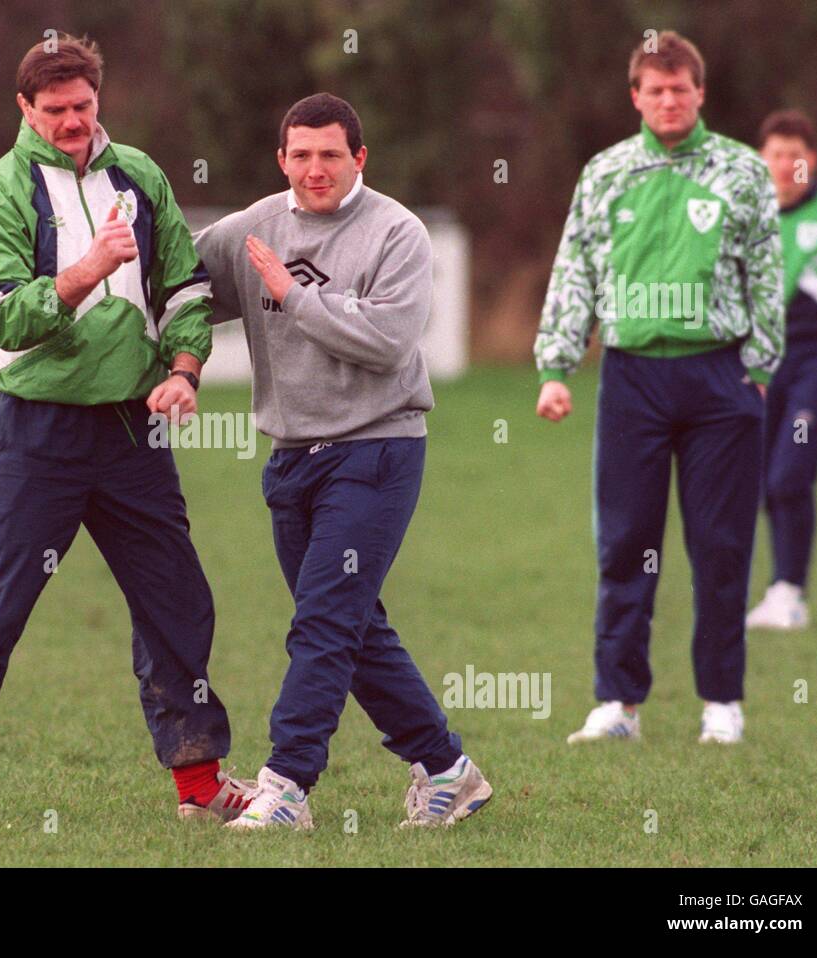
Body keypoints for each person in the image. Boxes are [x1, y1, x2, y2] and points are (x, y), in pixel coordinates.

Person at [0, 34, 250, 822]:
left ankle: (200, 786)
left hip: (131, 431)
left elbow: (184, 286)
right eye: (55, 111)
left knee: (178, 600)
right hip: (37, 433)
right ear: (25, 108)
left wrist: (183, 371)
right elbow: (7, 318)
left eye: (83, 106)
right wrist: (86, 272)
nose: (73, 122)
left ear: (98, 99)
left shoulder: (140, 176)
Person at [195, 93, 492, 830]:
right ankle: (449, 772)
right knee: (349, 626)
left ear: (360, 158)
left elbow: (388, 343)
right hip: (291, 457)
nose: (315, 168)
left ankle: (287, 786)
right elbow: (178, 285)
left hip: (376, 450)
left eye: (331, 154)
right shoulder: (252, 228)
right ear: (281, 158)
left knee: (324, 624)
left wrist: (291, 296)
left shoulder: (398, 232)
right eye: (301, 154)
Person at [534, 32, 784, 745]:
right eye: (655, 89)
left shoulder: (741, 171)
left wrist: (760, 368)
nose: (668, 100)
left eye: (680, 88)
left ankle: (722, 704)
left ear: (699, 93)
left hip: (720, 375)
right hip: (633, 379)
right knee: (624, 542)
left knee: (722, 544)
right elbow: (575, 269)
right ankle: (618, 703)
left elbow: (767, 272)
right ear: (636, 96)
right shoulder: (607, 172)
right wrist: (557, 366)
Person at [746, 110, 817, 631]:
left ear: (811, 161)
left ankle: (791, 593)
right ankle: (780, 591)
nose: (786, 166)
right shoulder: (752, 219)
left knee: (791, 473)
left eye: (795, 156)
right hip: (768, 364)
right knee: (765, 477)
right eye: (775, 156)